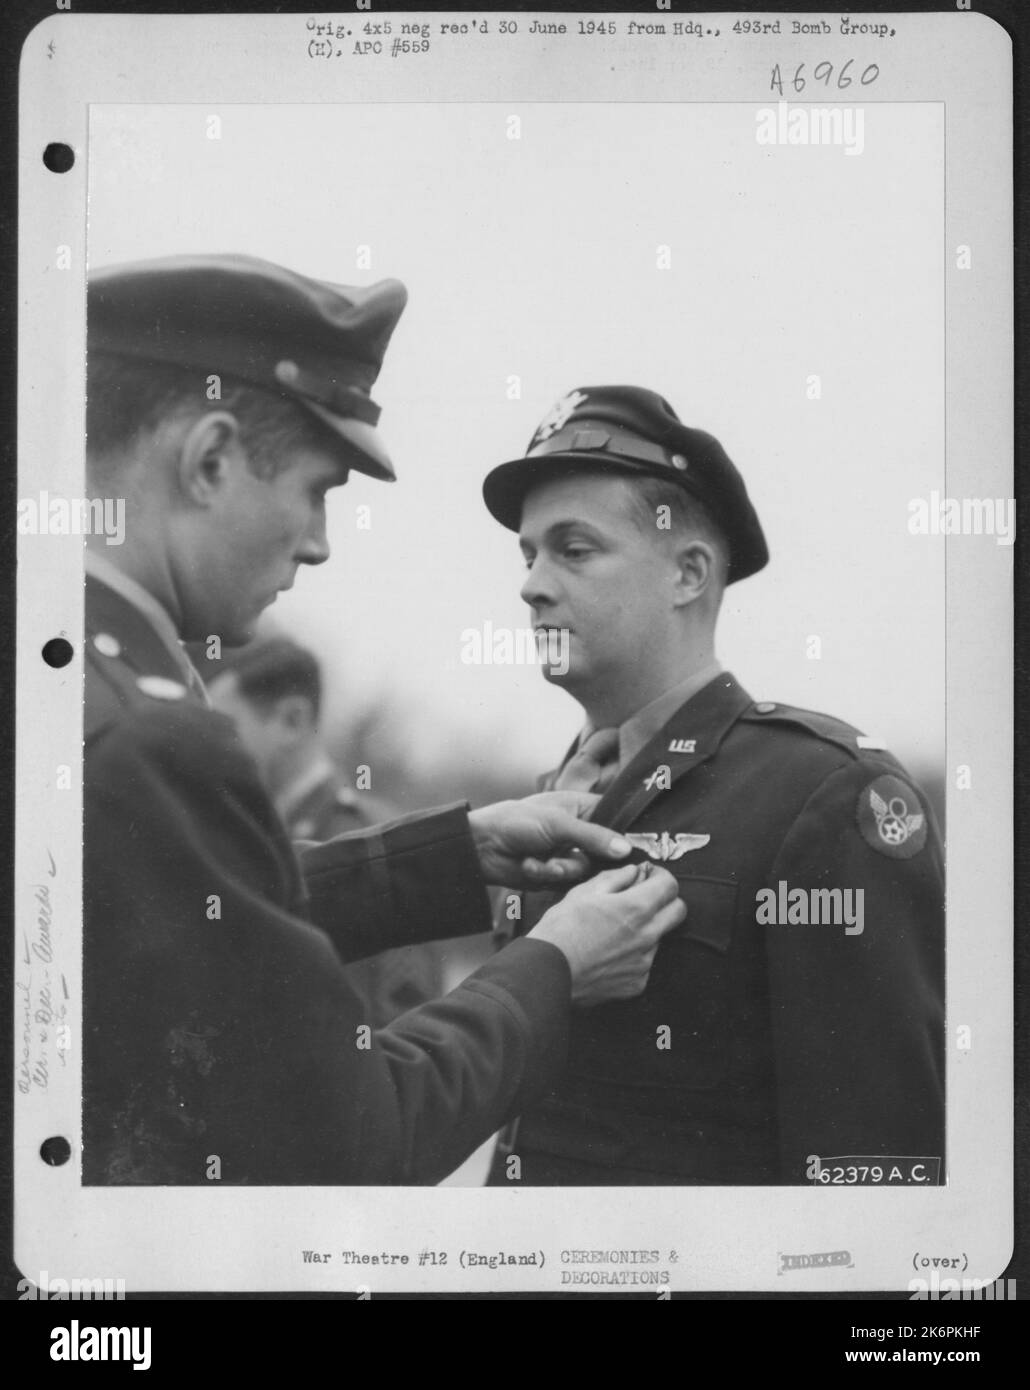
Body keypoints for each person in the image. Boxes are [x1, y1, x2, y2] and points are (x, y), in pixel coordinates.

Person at [82, 260, 686, 1186]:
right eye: (319, 489)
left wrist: (446, 857)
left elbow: (168, 922)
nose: (319, 541)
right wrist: (554, 963)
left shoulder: (76, 679)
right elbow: (351, 1140)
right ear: (208, 460)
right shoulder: (150, 737)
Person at [482, 385, 945, 1186]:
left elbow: (872, 1168)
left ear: (688, 572)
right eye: (529, 555)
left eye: (574, 549)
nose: (531, 585)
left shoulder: (825, 794)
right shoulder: (551, 795)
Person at [207, 635, 440, 1024]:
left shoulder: (373, 837)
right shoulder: (246, 832)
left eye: (226, 729)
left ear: (291, 722)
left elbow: (398, 1021)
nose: (210, 748)